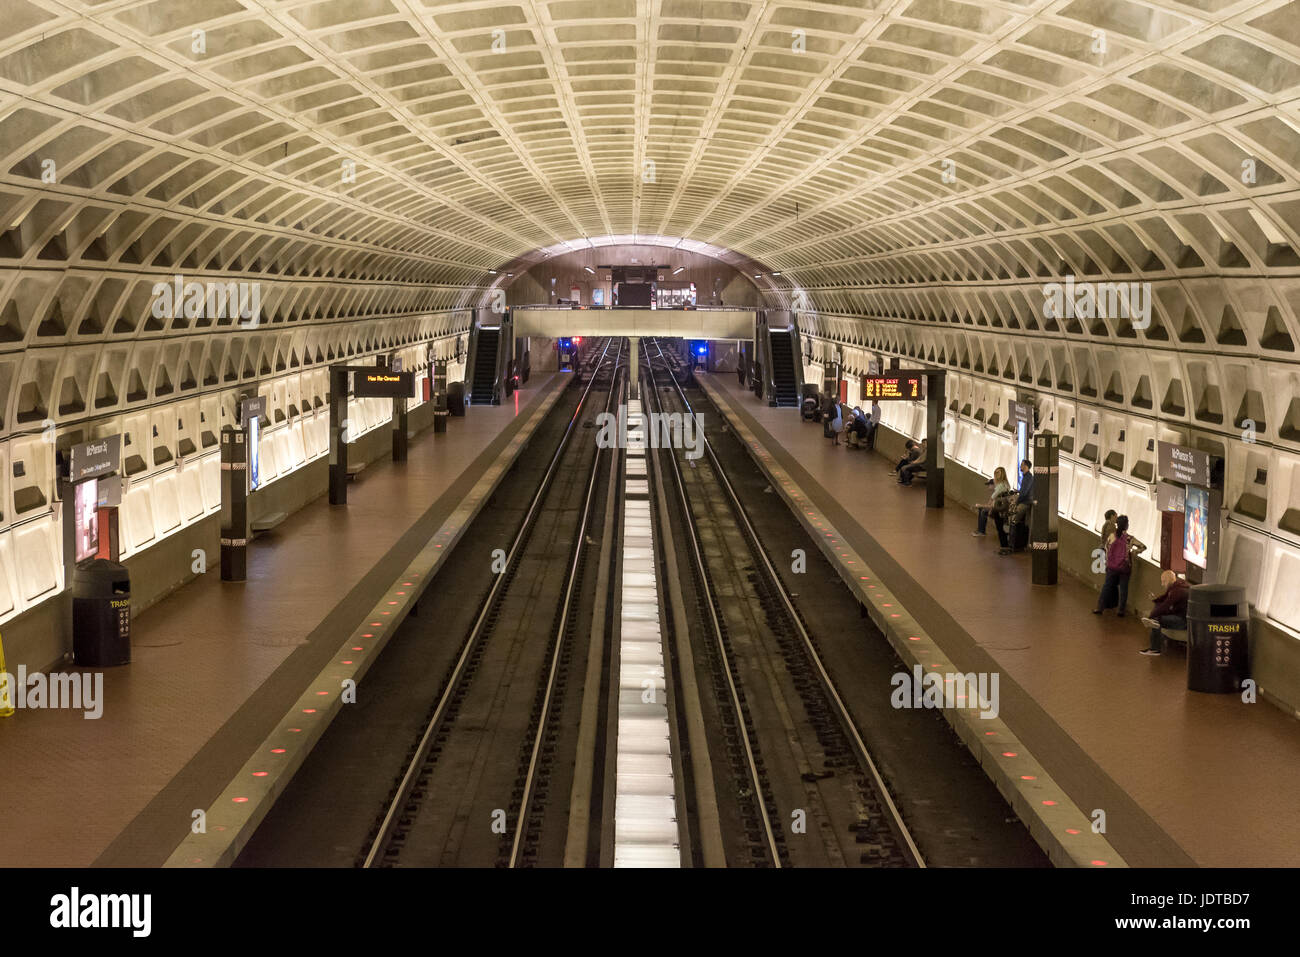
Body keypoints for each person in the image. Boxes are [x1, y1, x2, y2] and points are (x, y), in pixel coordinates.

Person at [1093, 514, 1145, 616]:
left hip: (1112, 567)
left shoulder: (1112, 536)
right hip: (1125, 568)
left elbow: (1106, 548)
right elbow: (1143, 546)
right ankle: (1121, 611)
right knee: (1123, 589)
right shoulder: (1130, 538)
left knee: (1106, 587)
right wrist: (1135, 552)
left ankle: (1100, 607)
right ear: (1126, 525)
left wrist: (1108, 562)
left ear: (1117, 524)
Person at [1140, 570, 1190, 656]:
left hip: (1183, 621)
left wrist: (1151, 616)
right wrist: (1155, 600)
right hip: (1181, 616)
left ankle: (1155, 649)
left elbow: (1165, 605)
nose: (1162, 584)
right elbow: (1164, 598)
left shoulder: (1177, 591)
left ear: (1169, 580)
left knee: (1156, 620)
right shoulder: (1177, 586)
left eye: (1163, 581)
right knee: (1156, 617)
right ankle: (1156, 645)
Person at [974, 467, 1011, 536]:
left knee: (983, 510)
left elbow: (991, 505)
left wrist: (980, 505)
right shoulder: (1005, 484)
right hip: (1003, 507)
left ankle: (981, 531)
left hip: (1001, 510)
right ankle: (980, 531)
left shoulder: (1000, 487)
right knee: (983, 509)